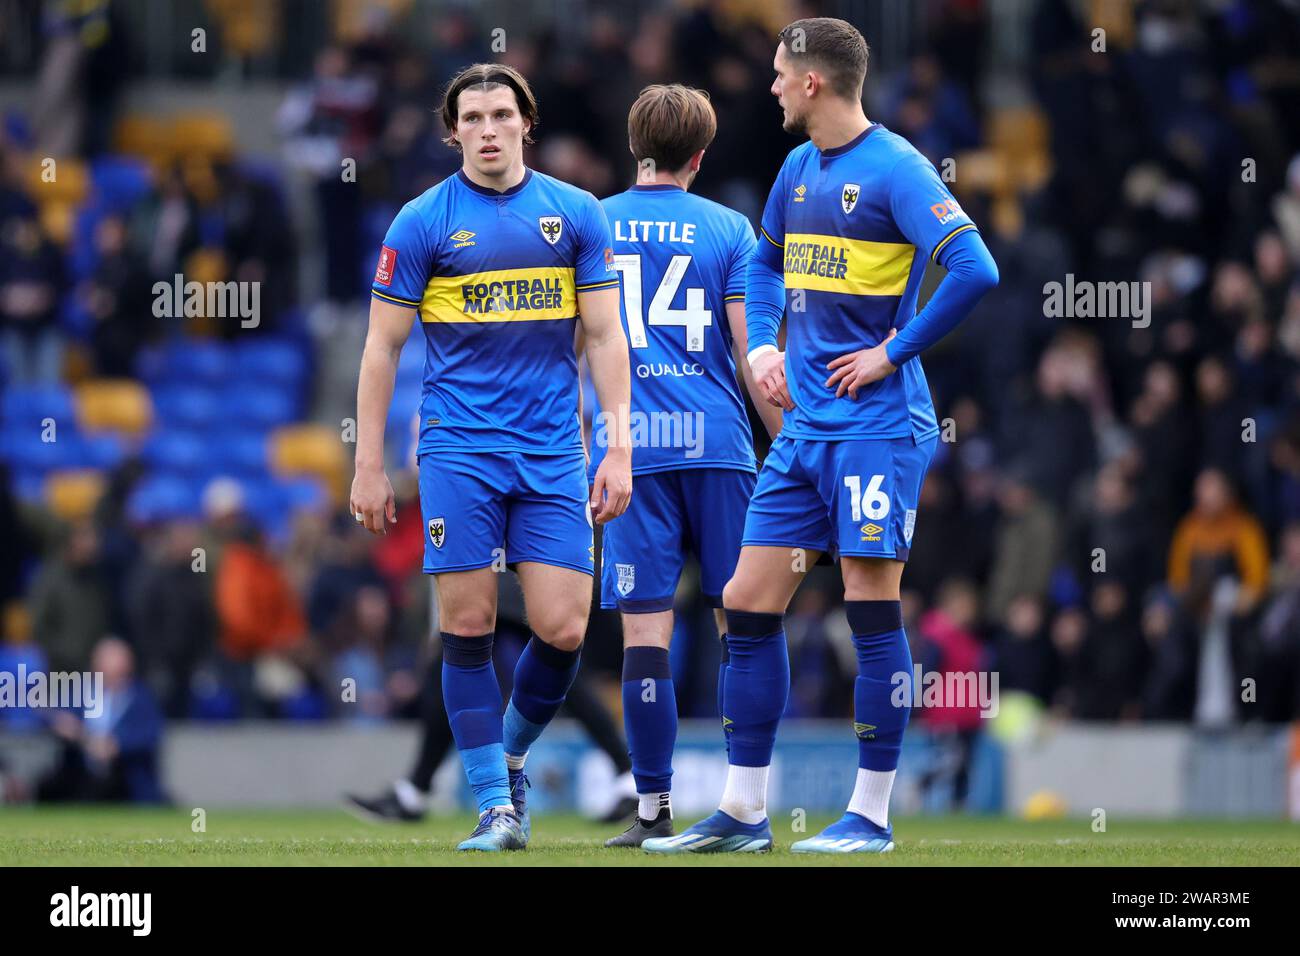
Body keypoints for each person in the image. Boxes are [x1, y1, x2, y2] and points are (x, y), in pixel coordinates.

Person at [645, 18, 998, 854]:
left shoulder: (898, 168)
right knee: (744, 600)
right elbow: (764, 266)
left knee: (871, 611)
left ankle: (870, 816)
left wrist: (891, 351)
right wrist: (762, 344)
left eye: (778, 74)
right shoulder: (798, 168)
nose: (768, 86)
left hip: (876, 427)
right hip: (805, 430)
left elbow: (976, 266)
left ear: (813, 83)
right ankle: (742, 813)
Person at [350, 63, 632, 851]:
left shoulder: (575, 213)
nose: (485, 129)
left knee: (564, 628)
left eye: (499, 114)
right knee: (468, 626)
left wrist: (618, 445)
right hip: (459, 449)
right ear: (453, 132)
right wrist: (368, 463)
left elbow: (608, 337)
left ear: (525, 123)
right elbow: (381, 349)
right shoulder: (421, 222)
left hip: (553, 449)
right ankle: (494, 808)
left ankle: (505, 759)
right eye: (470, 117)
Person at [592, 84, 781, 847]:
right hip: (720, 447)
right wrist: (792, 450)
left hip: (631, 450)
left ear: (633, 144)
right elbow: (751, 352)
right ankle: (749, 805)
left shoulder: (590, 222)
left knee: (646, 641)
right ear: (700, 156)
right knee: (748, 627)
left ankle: (652, 812)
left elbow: (573, 345)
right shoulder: (730, 228)